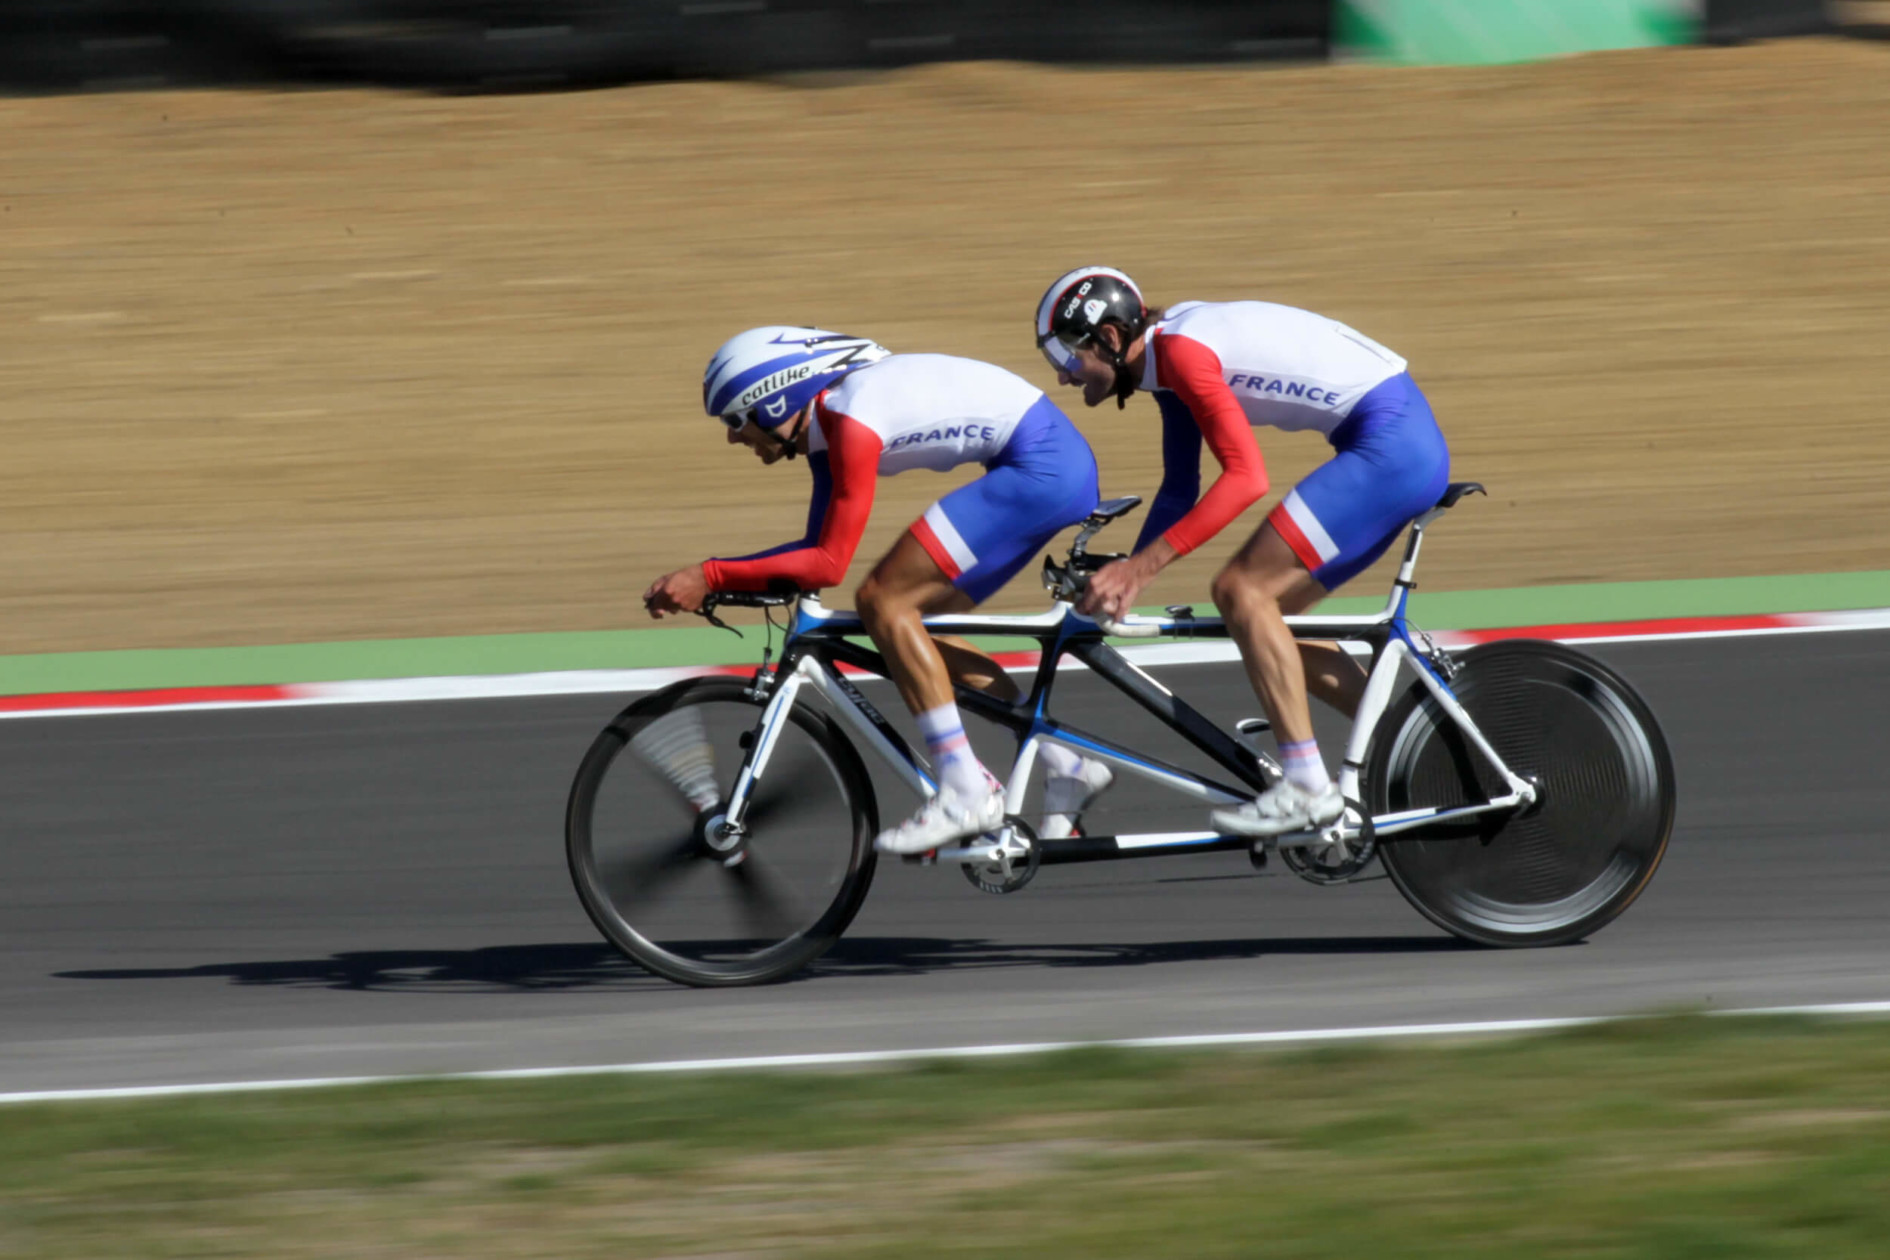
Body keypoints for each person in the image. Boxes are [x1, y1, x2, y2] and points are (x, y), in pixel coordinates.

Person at [645, 326, 1114, 854]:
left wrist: (710, 575)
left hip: (1042, 469)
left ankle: (965, 789)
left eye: (736, 420)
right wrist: (721, 577)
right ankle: (1065, 765)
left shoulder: (849, 418)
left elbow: (827, 563)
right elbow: (814, 553)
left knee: (883, 603)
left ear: (775, 401)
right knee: (919, 629)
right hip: (1049, 467)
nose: (733, 437)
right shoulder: (825, 430)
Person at [1032, 268, 1449, 835]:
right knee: (1271, 624)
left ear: (1109, 336)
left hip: (1392, 446)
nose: (1061, 375)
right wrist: (1128, 569)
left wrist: (1140, 569)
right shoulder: (1163, 364)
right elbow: (1180, 487)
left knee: (1240, 591)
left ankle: (1306, 785)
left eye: (1066, 353)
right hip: (1397, 443)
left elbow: (1247, 477)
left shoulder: (1179, 352)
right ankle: (1429, 753)